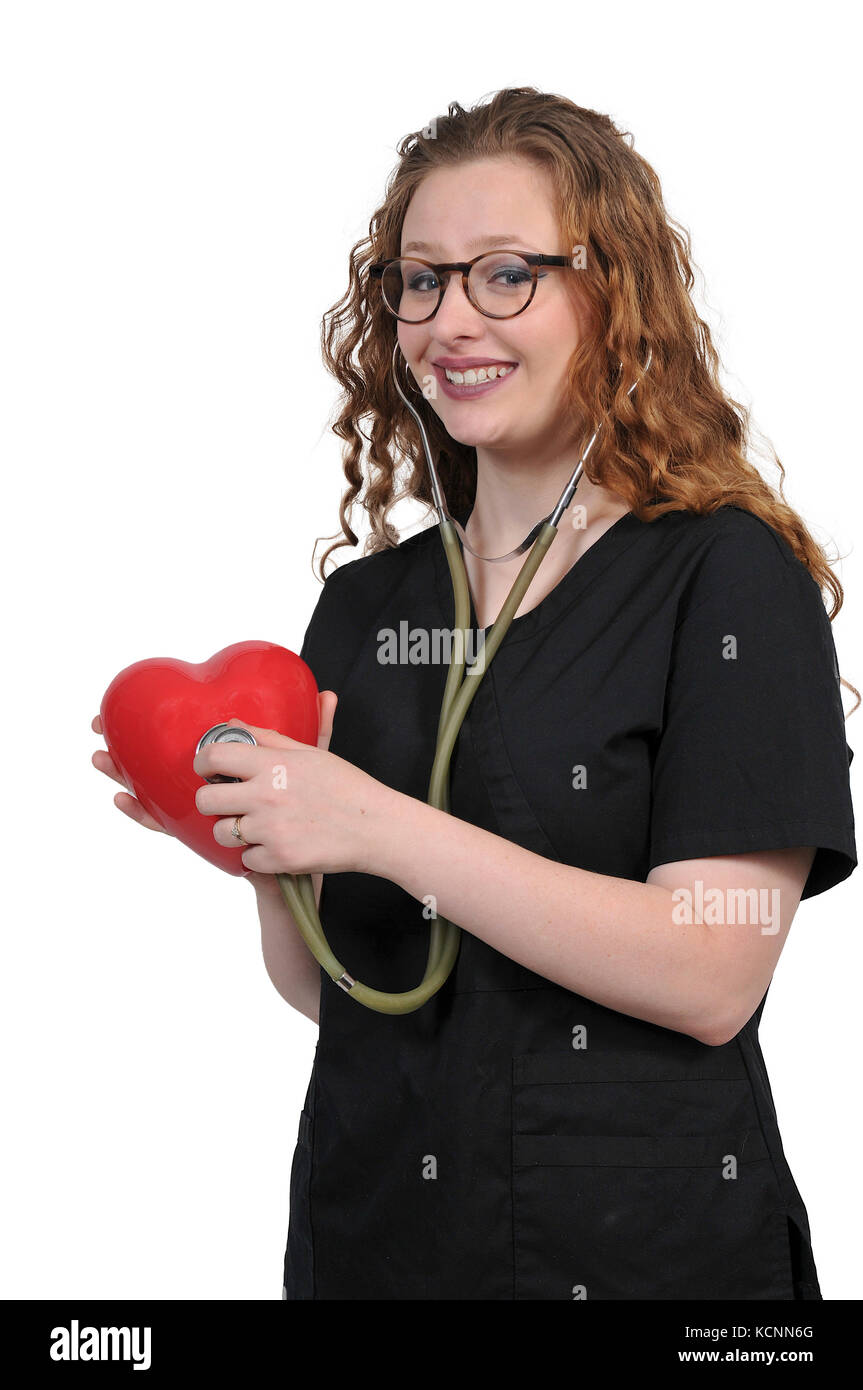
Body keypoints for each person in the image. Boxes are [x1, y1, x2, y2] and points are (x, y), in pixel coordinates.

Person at [93, 88, 857, 1301]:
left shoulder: (721, 576)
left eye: (507, 274)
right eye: (421, 280)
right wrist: (262, 849)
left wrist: (372, 823)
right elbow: (340, 991)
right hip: (374, 1244)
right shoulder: (364, 608)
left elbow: (712, 977)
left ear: (611, 291)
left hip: (641, 1261)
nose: (452, 319)